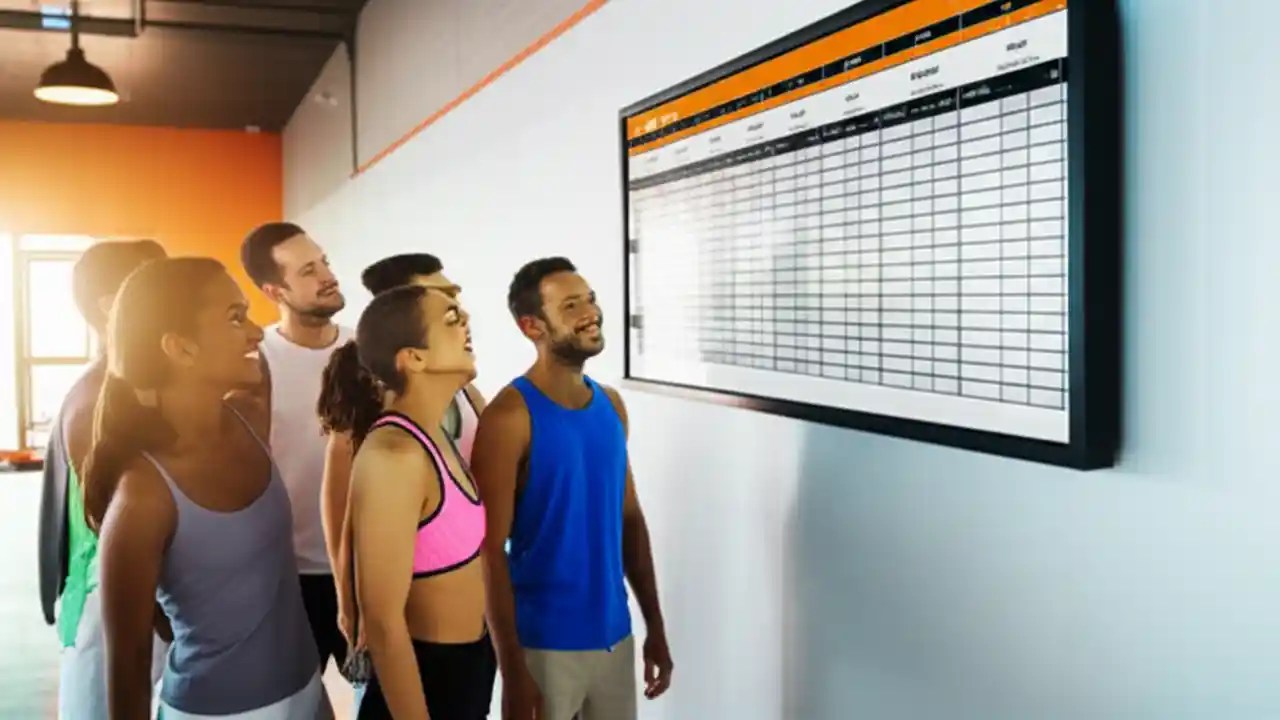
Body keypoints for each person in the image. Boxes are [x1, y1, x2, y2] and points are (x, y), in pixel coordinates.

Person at [83, 257, 331, 718]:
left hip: (308, 693)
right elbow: (129, 664)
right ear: (180, 348)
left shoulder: (248, 419)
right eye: (236, 318)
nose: (256, 333)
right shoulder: (143, 497)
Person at [471, 257, 673, 720]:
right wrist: (513, 670)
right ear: (532, 326)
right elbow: (488, 551)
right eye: (570, 306)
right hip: (544, 647)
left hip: (615, 638)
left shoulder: (612, 406)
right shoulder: (508, 417)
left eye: (590, 299)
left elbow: (629, 519)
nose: (591, 313)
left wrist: (655, 627)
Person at [319, 284, 494, 719]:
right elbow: (382, 623)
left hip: (469, 668)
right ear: (413, 357)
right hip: (427, 679)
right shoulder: (393, 457)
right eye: (451, 318)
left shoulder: (436, 434)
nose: (467, 322)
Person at [36, 239, 169, 720]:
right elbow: (111, 523)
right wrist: (168, 619)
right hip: (113, 605)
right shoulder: (97, 399)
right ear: (114, 306)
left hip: (150, 602)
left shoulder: (137, 390)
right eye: (157, 288)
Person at [240, 222, 352, 677]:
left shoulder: (366, 351)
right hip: (288, 577)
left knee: (383, 699)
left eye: (324, 262)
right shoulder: (253, 361)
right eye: (308, 270)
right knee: (295, 700)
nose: (327, 275)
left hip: (364, 567)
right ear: (275, 291)